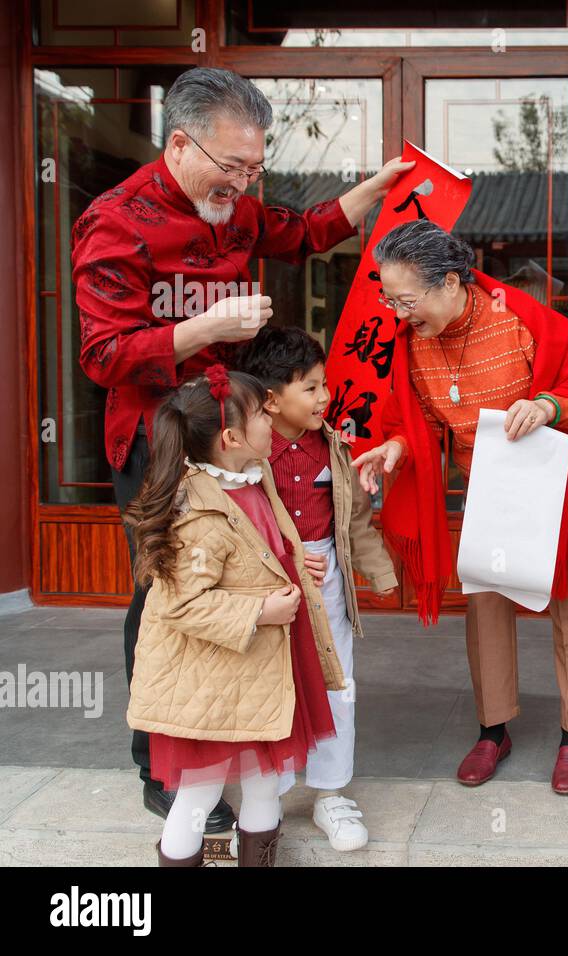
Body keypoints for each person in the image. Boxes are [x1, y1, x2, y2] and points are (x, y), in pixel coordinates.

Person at [71, 66, 413, 830]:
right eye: (233, 167)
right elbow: (102, 356)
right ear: (182, 145)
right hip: (158, 440)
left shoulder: (235, 210)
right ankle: (164, 770)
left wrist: (382, 185)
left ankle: (243, 750)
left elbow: (314, 229)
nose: (244, 183)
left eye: (256, 168)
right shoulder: (114, 221)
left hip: (235, 436)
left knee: (251, 587)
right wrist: (209, 329)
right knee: (171, 597)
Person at [352, 220, 568, 795]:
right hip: (489, 479)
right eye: (389, 300)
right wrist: (395, 447)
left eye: (406, 300)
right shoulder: (413, 341)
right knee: (487, 596)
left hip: (561, 474)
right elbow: (408, 417)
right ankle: (494, 728)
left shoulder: (519, 318)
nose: (397, 313)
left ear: (448, 282)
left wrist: (546, 405)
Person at [124, 366, 342, 866]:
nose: (273, 418)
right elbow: (184, 603)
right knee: (198, 798)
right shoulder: (197, 512)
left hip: (256, 676)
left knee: (266, 783)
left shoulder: (252, 477)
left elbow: (254, 550)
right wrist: (262, 609)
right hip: (210, 685)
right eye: (262, 413)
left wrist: (290, 558)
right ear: (230, 437)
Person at [237, 327, 399, 851]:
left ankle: (331, 792)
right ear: (270, 399)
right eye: (309, 387)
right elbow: (235, 524)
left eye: (323, 384)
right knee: (274, 683)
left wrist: (381, 573)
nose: (324, 397)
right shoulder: (245, 455)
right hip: (271, 583)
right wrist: (284, 556)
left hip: (326, 577)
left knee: (336, 682)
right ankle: (270, 797)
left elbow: (354, 520)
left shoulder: (333, 445)